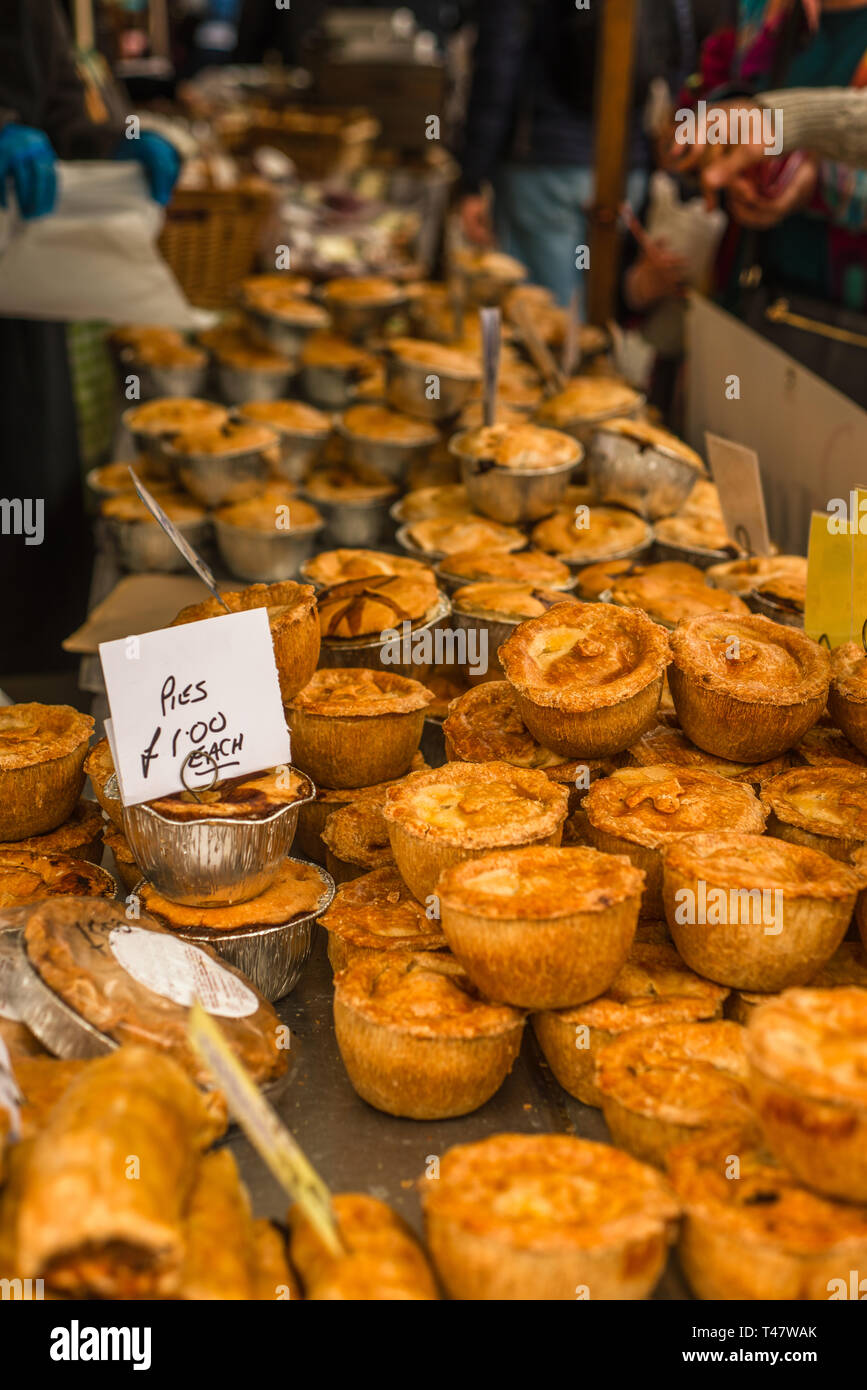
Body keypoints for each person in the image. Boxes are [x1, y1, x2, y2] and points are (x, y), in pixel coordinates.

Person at [0, 0, 181, 675]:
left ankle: (32, 704)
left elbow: (56, 117)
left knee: (31, 493)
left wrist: (114, 147)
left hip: (22, 295)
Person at [456, 0, 709, 308]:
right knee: (594, 312)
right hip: (626, 168)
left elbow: (499, 60)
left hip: (544, 169)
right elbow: (680, 52)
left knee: (544, 317)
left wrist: (472, 177)